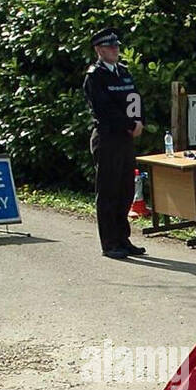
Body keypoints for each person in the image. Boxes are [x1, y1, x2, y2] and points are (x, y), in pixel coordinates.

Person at [82, 28, 147, 259]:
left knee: (125, 190)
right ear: (99, 50)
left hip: (126, 138)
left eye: (117, 46)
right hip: (108, 137)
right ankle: (109, 243)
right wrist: (128, 125)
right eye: (110, 47)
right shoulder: (95, 76)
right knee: (109, 191)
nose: (115, 50)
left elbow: (135, 98)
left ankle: (123, 238)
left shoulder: (123, 72)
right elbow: (104, 109)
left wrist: (138, 121)